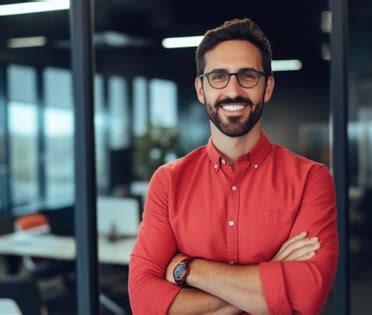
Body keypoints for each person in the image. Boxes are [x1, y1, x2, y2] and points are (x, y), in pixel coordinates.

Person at [128, 18, 338, 314]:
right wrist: (272, 276)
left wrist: (188, 269)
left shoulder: (311, 180)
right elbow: (143, 302)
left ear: (267, 88)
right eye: (218, 76)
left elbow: (306, 298)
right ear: (201, 90)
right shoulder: (168, 181)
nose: (233, 90)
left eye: (248, 75)